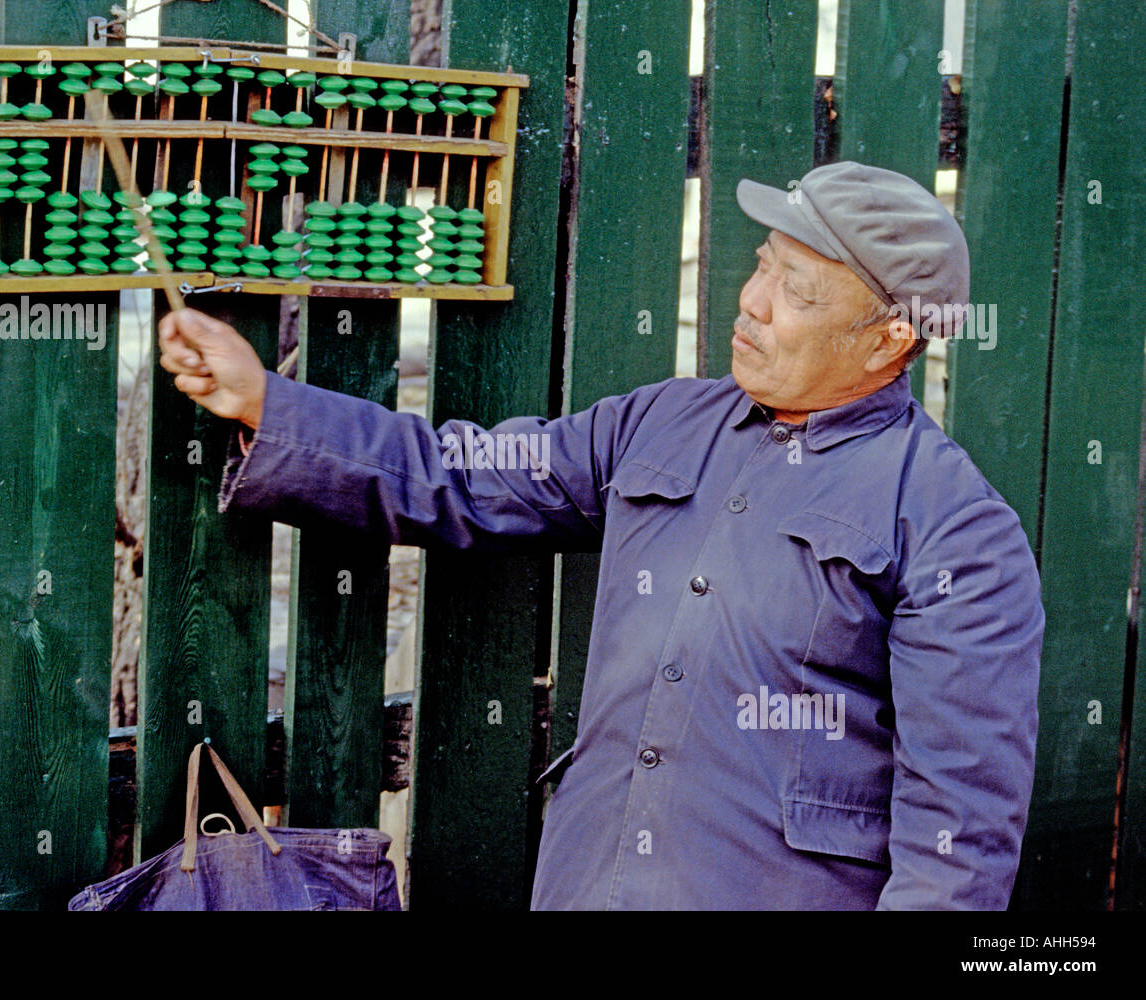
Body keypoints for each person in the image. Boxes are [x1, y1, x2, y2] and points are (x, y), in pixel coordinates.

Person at [156, 161, 1044, 909]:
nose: (753, 302)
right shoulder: (662, 422)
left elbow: (956, 844)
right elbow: (458, 476)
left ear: (891, 339)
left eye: (796, 290)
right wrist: (265, 403)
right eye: (762, 264)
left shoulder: (955, 529)